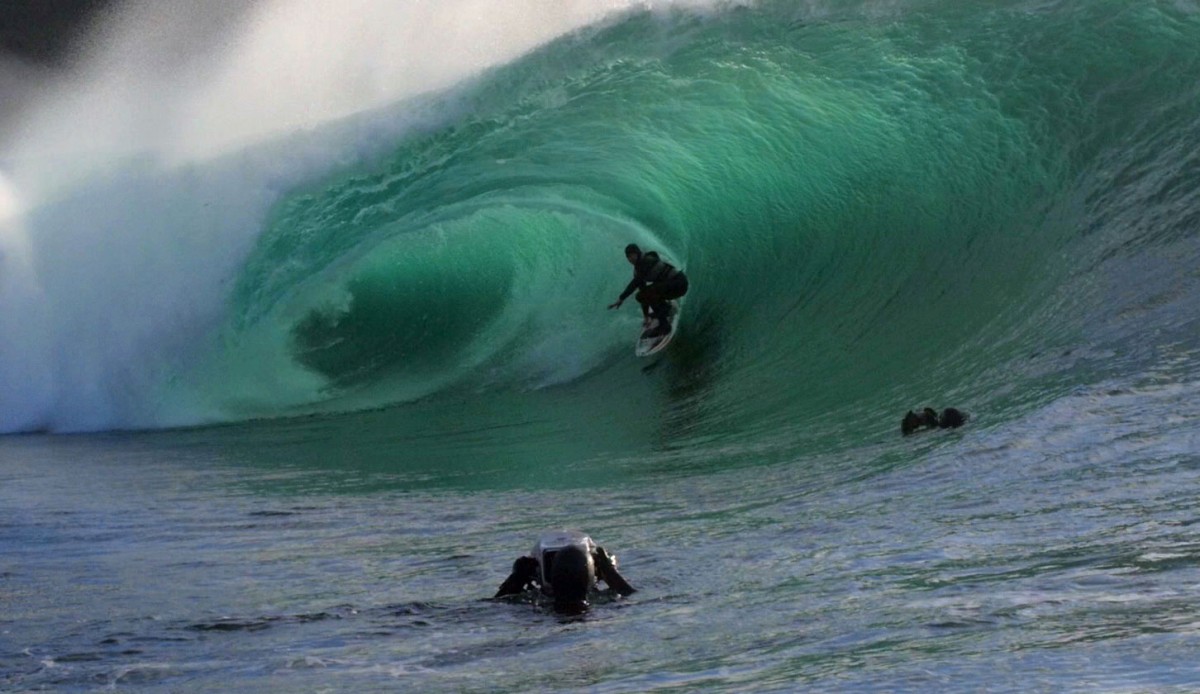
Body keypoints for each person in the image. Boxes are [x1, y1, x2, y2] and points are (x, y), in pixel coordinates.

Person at [494, 530, 636, 613]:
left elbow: (496, 604)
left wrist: (517, 579)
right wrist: (610, 572)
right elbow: (632, 596)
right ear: (593, 573)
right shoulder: (608, 607)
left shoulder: (534, 609)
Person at [607, 244, 689, 338]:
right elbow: (644, 296)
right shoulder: (638, 270)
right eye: (628, 257)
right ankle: (665, 309)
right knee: (644, 295)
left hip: (679, 284)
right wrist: (646, 316)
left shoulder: (647, 261)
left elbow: (635, 283)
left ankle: (664, 326)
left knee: (645, 294)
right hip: (671, 286)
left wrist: (622, 298)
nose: (630, 259)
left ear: (637, 253)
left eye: (631, 255)